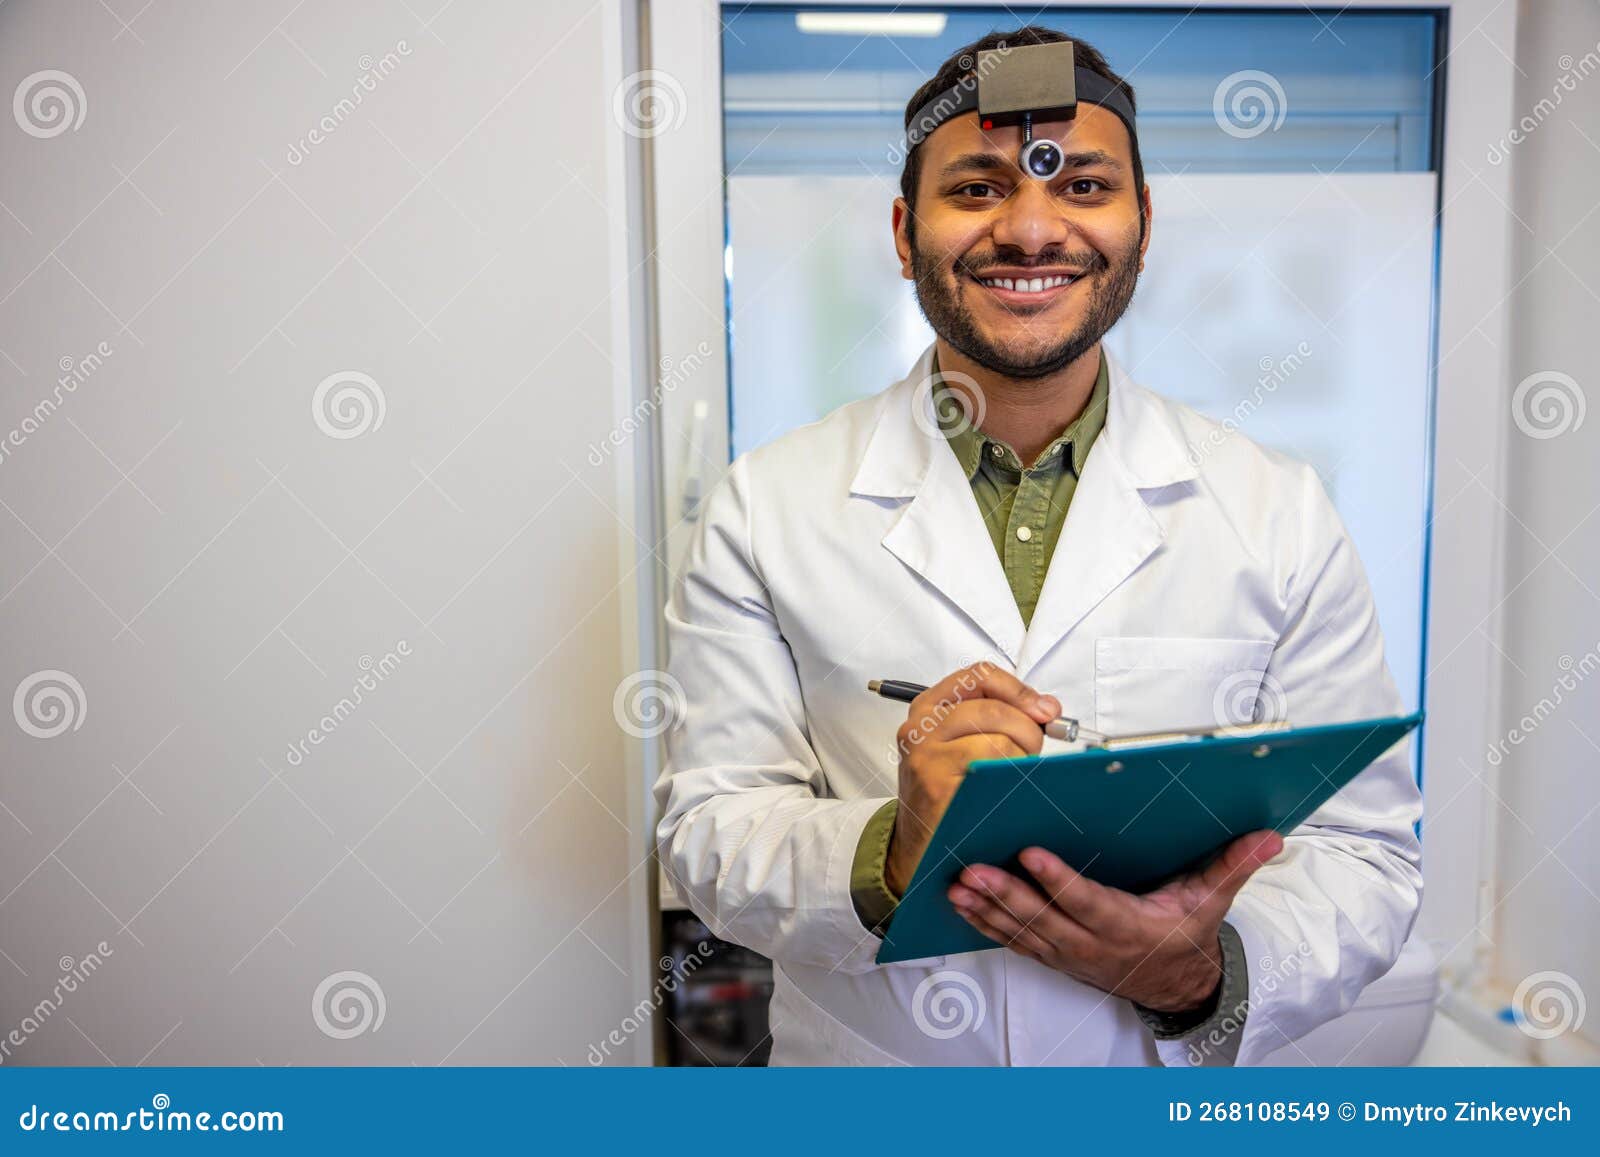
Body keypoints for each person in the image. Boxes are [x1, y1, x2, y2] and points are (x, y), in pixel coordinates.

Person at [654, 25, 1422, 1066]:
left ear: (1142, 224)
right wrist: (891, 849)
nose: (1028, 228)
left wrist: (1198, 974)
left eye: (1082, 185)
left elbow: (1364, 855)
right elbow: (709, 826)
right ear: (900, 229)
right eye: (975, 187)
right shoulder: (766, 506)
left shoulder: (1275, 511)